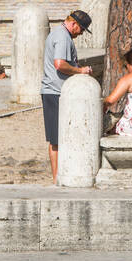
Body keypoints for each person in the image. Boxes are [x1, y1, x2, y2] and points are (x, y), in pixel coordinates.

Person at [41, 10, 93, 184]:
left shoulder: (59, 34)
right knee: (57, 139)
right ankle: (56, 178)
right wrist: (80, 71)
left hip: (56, 91)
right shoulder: (63, 37)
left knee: (59, 137)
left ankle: (59, 175)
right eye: (82, 29)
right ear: (74, 24)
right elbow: (60, 64)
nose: (82, 33)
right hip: (55, 92)